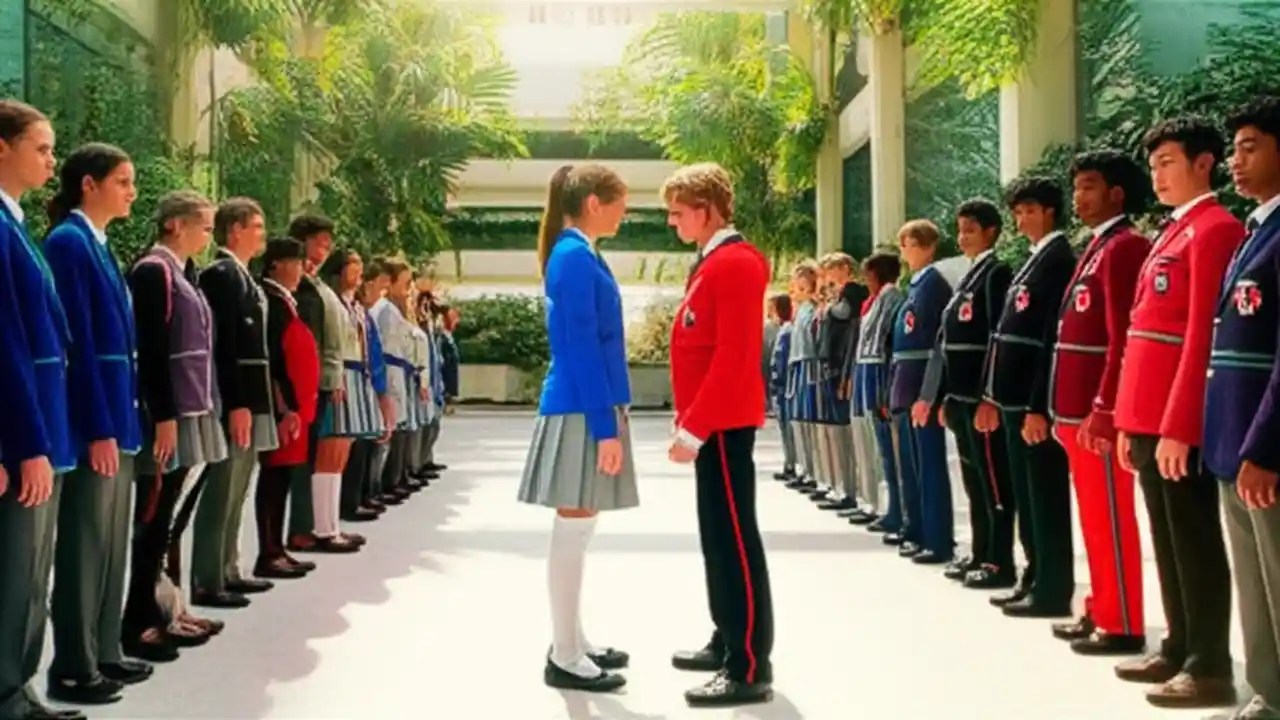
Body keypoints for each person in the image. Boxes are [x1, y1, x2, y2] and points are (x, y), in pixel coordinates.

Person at [1113, 116, 1243, 709]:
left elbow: (1200, 335)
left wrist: (1179, 424)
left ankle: (1209, 664)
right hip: (1147, 414)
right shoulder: (1176, 230)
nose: (1158, 175)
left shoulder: (1215, 229)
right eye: (1154, 165)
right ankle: (1179, 643)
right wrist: (1128, 419)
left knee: (1194, 541)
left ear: (1203, 164)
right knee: (1165, 539)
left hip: (1175, 419)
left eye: (1168, 162)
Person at [515, 163, 635, 693]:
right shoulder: (574, 257)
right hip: (580, 406)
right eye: (619, 204)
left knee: (579, 526)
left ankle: (573, 639)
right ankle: (564, 651)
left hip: (586, 403)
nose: (624, 214)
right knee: (574, 524)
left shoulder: (577, 253)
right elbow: (583, 347)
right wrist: (605, 427)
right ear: (593, 203)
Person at [43, 143, 153, 706]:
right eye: (122, 181)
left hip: (120, 416)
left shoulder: (100, 244)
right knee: (85, 547)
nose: (132, 192)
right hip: (98, 422)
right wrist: (98, 426)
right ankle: (74, 664)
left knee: (111, 544)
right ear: (89, 184)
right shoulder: (68, 242)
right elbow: (78, 343)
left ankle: (105, 649)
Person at [664, 162, 773, 707]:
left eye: (678, 212)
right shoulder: (713, 262)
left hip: (724, 425)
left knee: (733, 541)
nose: (672, 221)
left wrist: (696, 427)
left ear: (706, 210)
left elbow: (732, 357)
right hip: (713, 424)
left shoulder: (735, 264)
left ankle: (748, 664)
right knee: (717, 539)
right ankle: (728, 635)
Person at [1048, 150, 1150, 655]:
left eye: (1089, 186)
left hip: (1095, 414)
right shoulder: (1097, 246)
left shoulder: (1126, 246)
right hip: (1074, 414)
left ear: (1117, 192)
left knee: (1110, 517)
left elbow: (1121, 335)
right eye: (1076, 187)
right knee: (1092, 517)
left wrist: (1104, 407)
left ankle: (1122, 621)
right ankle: (1100, 605)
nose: (1078, 197)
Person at [123, 190, 230, 663]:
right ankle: (138, 621)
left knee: (168, 518)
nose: (208, 235)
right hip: (167, 415)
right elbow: (151, 350)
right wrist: (163, 415)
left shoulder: (184, 273)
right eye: (203, 226)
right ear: (175, 225)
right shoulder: (154, 271)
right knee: (152, 519)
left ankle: (166, 608)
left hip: (192, 408)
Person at [0, 99, 80, 720]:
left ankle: (19, 689)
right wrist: (25, 444)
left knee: (32, 573)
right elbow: (6, 345)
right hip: (24, 432)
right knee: (17, 574)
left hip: (43, 424)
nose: (52, 161)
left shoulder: (14, 223)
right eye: (43, 148)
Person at [1204, 95, 1280, 720]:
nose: (1236, 160)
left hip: (1265, 446)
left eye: (1250, 147)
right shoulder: (1255, 233)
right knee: (1254, 581)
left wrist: (1265, 446)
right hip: (1234, 441)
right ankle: (1268, 692)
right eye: (1234, 149)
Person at [975, 177, 1077, 618]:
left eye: (1029, 211)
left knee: (1045, 498)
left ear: (1050, 212)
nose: (1021, 220)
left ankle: (1051, 588)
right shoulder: (1033, 260)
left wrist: (1038, 405)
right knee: (1026, 497)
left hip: (1032, 404)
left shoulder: (1058, 260)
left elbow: (1049, 339)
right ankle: (1032, 577)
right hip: (1013, 402)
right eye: (1017, 212)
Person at [191, 197, 278, 609]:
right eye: (256, 226)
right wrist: (237, 402)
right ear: (236, 230)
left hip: (253, 395)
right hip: (235, 397)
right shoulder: (221, 275)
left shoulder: (245, 277)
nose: (262, 234)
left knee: (239, 486)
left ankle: (229, 567)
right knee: (222, 487)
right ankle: (208, 577)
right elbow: (223, 345)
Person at [929, 199, 1016, 588]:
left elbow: (996, 336)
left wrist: (989, 396)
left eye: (971, 230)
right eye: (960, 230)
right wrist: (945, 396)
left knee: (994, 482)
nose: (962, 237)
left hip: (981, 399)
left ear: (990, 232)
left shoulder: (996, 273)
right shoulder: (968, 276)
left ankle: (999, 560)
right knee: (974, 481)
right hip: (960, 398)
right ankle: (980, 552)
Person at [287, 215, 362, 554]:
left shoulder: (315, 283)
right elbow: (311, 339)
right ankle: (305, 528)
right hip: (311, 381)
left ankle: (320, 525)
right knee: (307, 459)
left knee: (320, 455)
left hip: (327, 378)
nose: (325, 247)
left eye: (328, 242)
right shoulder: (301, 285)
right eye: (319, 241)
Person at [888, 220, 954, 565]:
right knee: (912, 467)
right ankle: (916, 528)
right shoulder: (914, 285)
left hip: (920, 384)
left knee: (929, 467)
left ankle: (937, 537)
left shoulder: (933, 286)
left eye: (910, 244)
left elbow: (935, 345)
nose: (904, 252)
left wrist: (928, 393)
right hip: (905, 382)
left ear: (928, 247)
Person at [255, 238, 319, 579]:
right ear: (276, 265)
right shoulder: (272, 302)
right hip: (283, 407)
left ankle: (276, 547)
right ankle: (269, 550)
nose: (301, 270)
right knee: (273, 479)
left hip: (296, 406)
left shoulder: (285, 301)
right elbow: (276, 360)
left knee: (282, 479)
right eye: (295, 263)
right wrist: (285, 408)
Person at [851, 253, 904, 531]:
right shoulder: (877, 300)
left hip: (880, 375)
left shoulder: (892, 299)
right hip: (869, 374)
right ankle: (887, 507)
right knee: (880, 449)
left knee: (890, 450)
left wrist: (884, 392)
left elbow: (887, 346)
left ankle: (898, 510)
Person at [814, 253, 868, 513]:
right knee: (834, 429)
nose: (828, 276)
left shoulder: (852, 292)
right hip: (832, 363)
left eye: (831, 270)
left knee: (845, 430)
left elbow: (845, 315)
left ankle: (853, 491)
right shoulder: (837, 296)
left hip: (842, 362)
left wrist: (829, 304)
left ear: (845, 268)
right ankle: (841, 486)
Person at [372, 260, 422, 508]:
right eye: (404, 283)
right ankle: (381, 484)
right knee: (388, 429)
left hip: (398, 371)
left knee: (399, 426)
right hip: (389, 370)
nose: (408, 289)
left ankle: (394, 479)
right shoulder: (384, 310)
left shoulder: (395, 310)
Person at [783, 262, 820, 494]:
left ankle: (813, 472)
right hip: (797, 363)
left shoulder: (813, 309)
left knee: (809, 422)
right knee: (798, 421)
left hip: (808, 364)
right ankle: (804, 469)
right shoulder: (799, 311)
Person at [765, 294, 798, 481]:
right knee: (785, 429)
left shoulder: (787, 331)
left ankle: (792, 464)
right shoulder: (782, 330)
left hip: (784, 386)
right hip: (780, 385)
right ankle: (789, 463)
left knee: (788, 429)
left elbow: (781, 360)